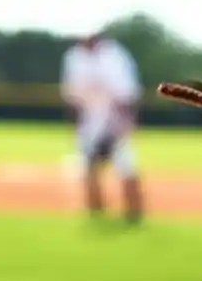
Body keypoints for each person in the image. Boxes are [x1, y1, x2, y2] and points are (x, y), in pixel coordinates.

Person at [60, 30, 144, 224]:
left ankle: (134, 213)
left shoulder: (114, 55)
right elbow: (72, 96)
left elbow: (125, 94)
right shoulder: (74, 58)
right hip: (89, 121)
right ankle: (95, 211)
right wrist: (75, 123)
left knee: (126, 166)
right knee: (88, 167)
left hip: (115, 119)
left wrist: (125, 123)